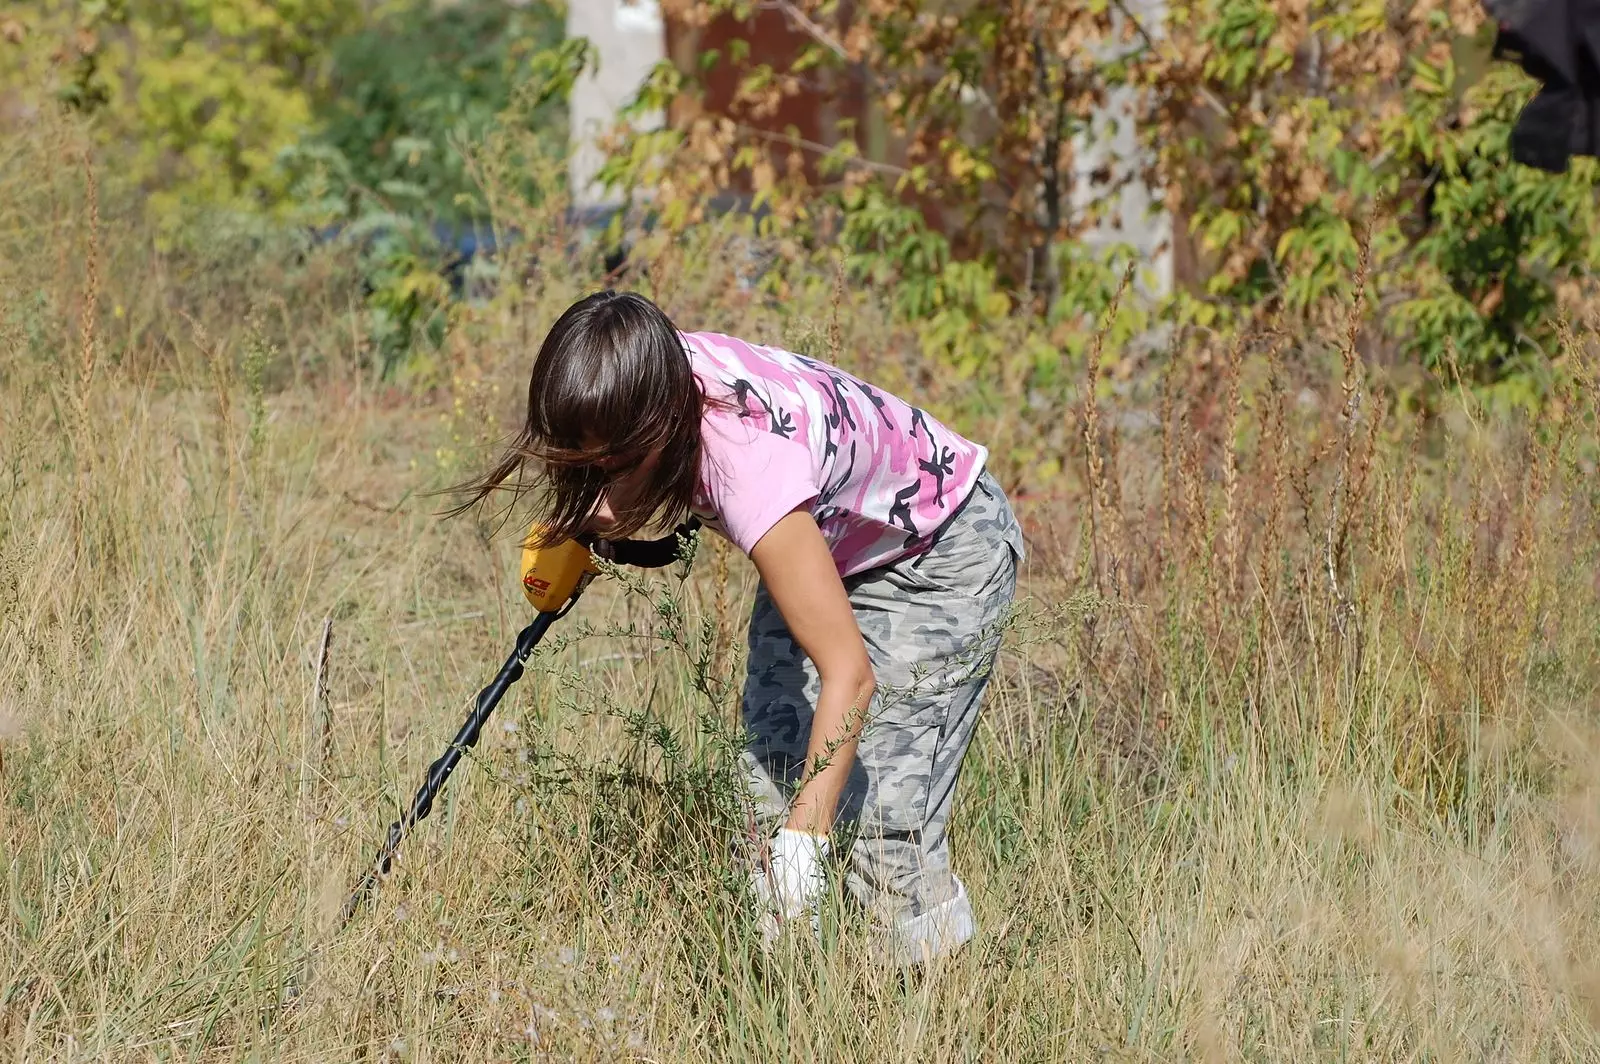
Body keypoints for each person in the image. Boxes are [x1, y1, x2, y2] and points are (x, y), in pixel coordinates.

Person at [455, 289, 1024, 965]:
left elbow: (850, 675)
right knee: (765, 798)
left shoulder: (749, 468)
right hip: (833, 543)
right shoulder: (641, 370)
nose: (596, 501)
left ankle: (929, 1008)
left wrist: (807, 843)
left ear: (663, 426)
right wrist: (582, 528)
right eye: (578, 471)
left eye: (610, 473)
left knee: (881, 826)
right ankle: (792, 1008)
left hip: (939, 551)